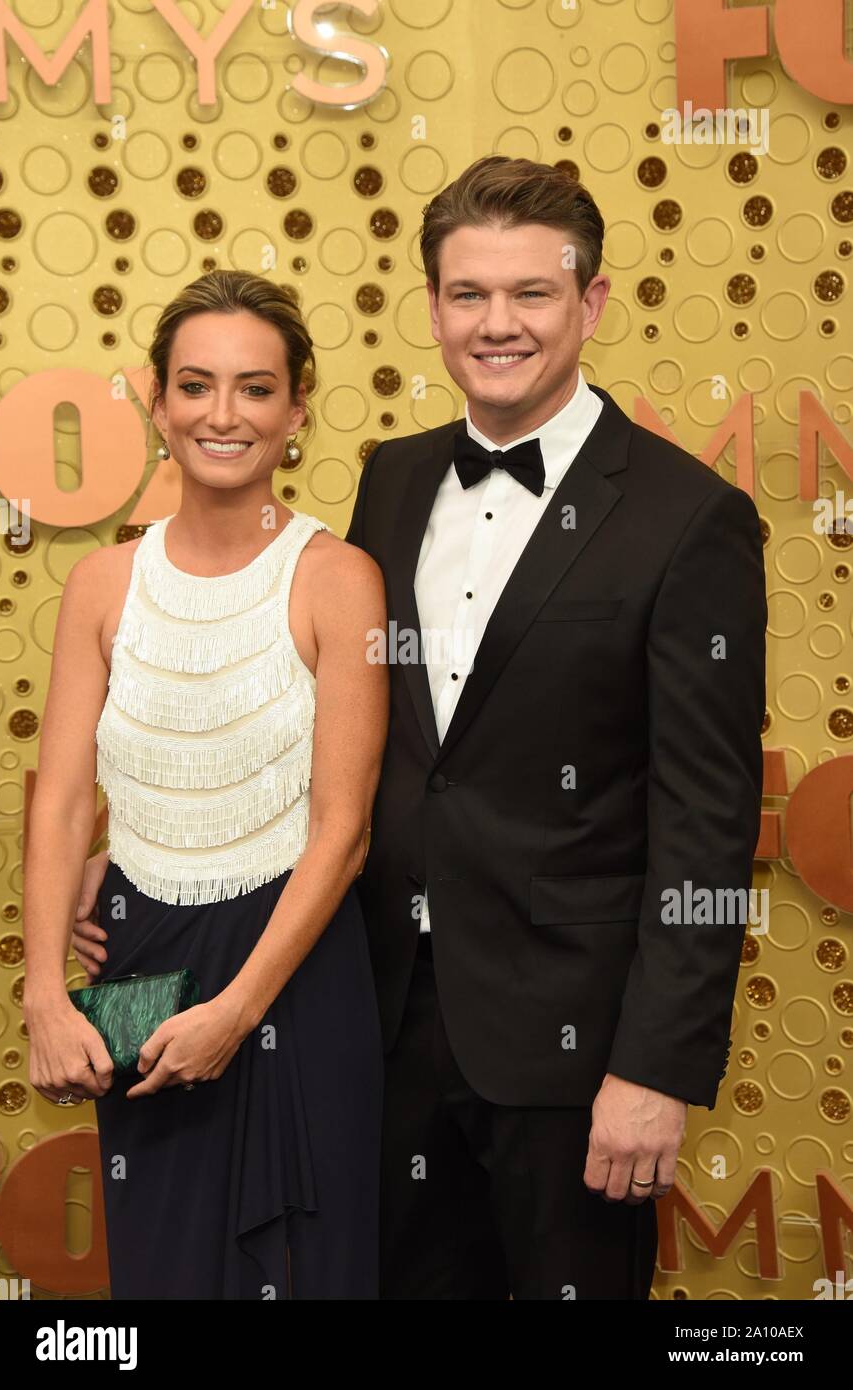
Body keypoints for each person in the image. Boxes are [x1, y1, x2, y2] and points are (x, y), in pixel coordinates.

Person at [72, 156, 767, 1300]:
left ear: (589, 304)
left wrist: (656, 1069)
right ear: (434, 308)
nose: (498, 325)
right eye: (467, 295)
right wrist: (149, 846)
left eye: (531, 294)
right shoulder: (391, 482)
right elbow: (328, 727)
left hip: (571, 1055)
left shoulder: (692, 520)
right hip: (368, 1018)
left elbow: (707, 822)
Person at [23, 270, 388, 1300]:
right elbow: (59, 797)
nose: (222, 414)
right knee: (164, 1265)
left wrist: (240, 1007)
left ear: (297, 409)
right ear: (156, 399)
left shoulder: (337, 576)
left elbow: (345, 830)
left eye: (256, 388)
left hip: (297, 963)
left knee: (311, 1267)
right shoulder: (103, 580)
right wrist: (46, 988)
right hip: (139, 962)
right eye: (196, 385)